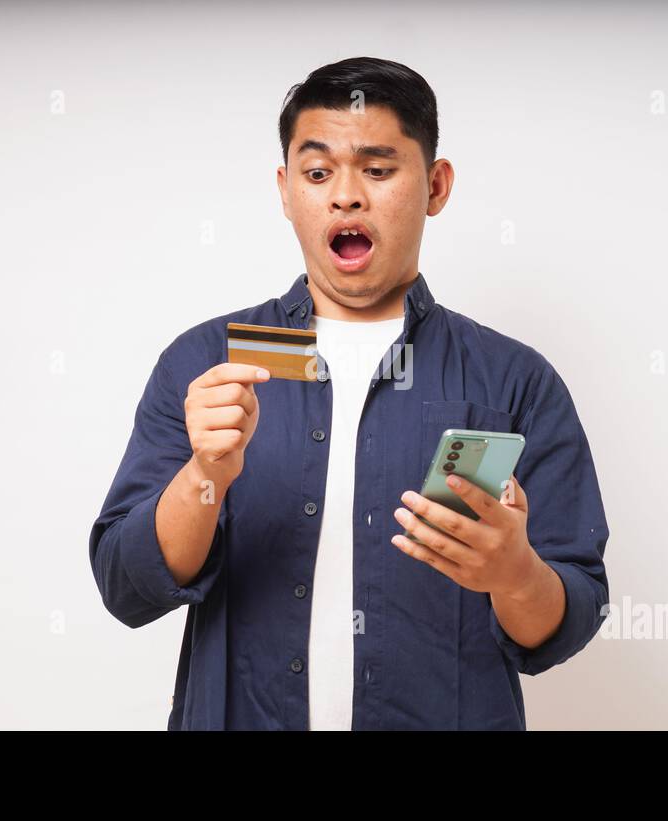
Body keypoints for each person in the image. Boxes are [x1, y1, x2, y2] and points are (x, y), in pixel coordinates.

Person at [89, 56, 610, 730]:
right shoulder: (206, 363)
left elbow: (571, 615)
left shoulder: (513, 381)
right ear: (285, 189)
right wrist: (204, 475)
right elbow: (125, 586)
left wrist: (514, 572)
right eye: (316, 172)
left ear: (436, 184)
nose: (344, 195)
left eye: (378, 168)